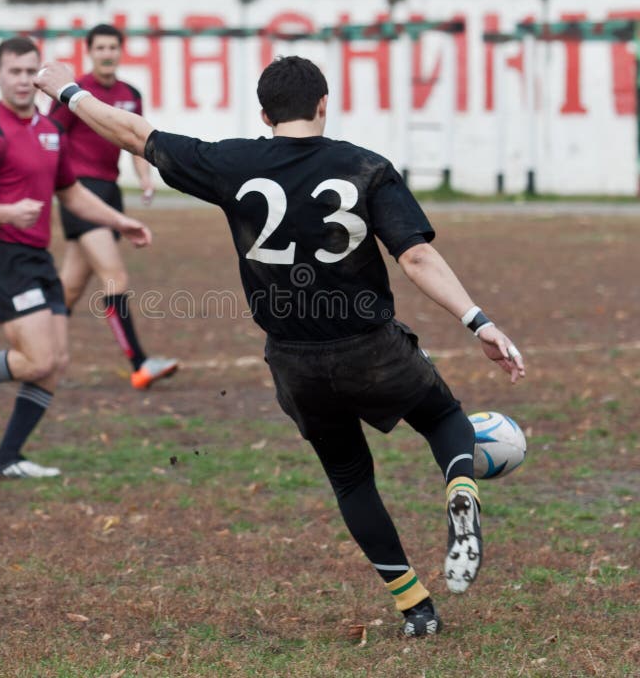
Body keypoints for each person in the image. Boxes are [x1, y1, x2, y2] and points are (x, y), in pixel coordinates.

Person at [34, 56, 526, 635]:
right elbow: (415, 256)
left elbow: (135, 134)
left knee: (350, 478)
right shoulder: (366, 167)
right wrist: (479, 321)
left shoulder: (230, 163)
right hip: (371, 345)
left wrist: (65, 87)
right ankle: (461, 490)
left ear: (264, 114)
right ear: (324, 105)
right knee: (444, 417)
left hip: (294, 359)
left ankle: (416, 608)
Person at [0, 36, 152, 480]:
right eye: (15, 72)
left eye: (30, 71)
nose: (23, 80)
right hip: (5, 258)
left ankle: (6, 459)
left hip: (38, 258)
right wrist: (7, 212)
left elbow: (72, 193)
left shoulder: (49, 130)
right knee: (39, 359)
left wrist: (120, 222)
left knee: (55, 362)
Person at [48, 23, 177, 390]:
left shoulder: (130, 94)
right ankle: (139, 364)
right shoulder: (72, 93)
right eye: (100, 47)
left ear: (121, 51)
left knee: (69, 288)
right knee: (114, 277)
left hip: (109, 190)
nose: (107, 53)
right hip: (79, 194)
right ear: (90, 52)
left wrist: (146, 177)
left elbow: (135, 141)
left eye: (113, 47)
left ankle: (37, 349)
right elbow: (48, 137)